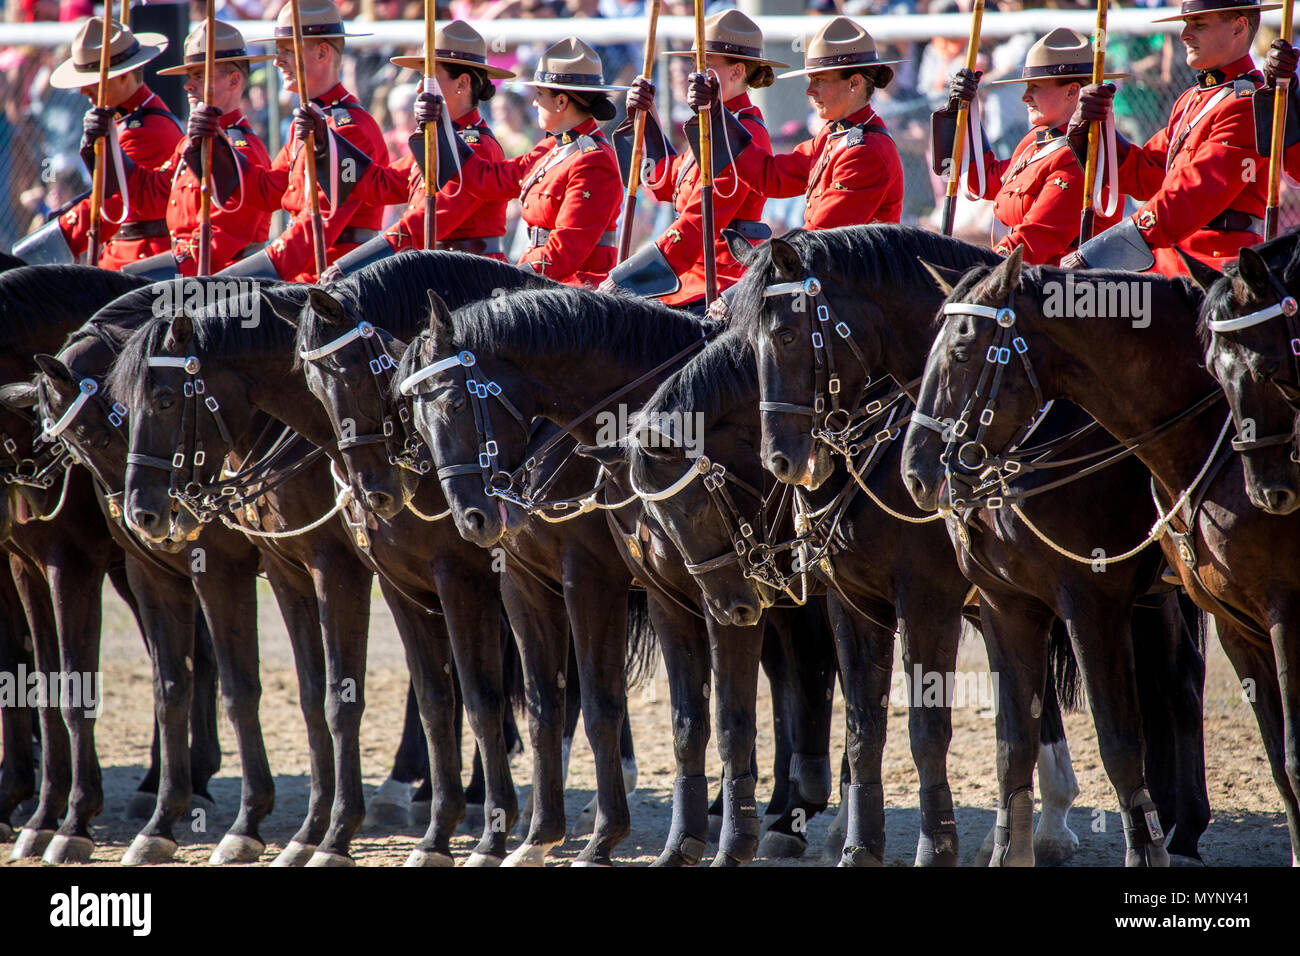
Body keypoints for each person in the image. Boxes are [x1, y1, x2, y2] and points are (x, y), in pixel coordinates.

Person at [1061, 0, 1276, 275]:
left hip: (1217, 266)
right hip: (1170, 258)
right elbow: (1146, 174)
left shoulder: (1250, 103)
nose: (1184, 35)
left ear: (1238, 27)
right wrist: (1092, 129)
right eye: (1186, 24)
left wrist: (1104, 249)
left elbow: (1193, 196)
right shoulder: (1191, 99)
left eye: (1198, 25)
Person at [601, 8, 780, 308]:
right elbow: (665, 186)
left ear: (736, 72)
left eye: (705, 65)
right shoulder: (711, 122)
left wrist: (630, 276)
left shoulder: (745, 131)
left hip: (721, 282)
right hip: (688, 276)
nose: (690, 75)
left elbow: (700, 222)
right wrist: (648, 121)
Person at [427, 36, 627, 286]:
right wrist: (442, 127)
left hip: (576, 292)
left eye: (539, 94)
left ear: (561, 102)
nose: (534, 102)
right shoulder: (550, 148)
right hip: (541, 280)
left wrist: (511, 282)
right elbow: (488, 180)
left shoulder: (594, 161)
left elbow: (565, 253)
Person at [83, 21, 276, 279]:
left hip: (222, 294)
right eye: (189, 77)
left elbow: (219, 244)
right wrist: (103, 148)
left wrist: (141, 278)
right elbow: (150, 194)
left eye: (199, 76)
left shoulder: (242, 149)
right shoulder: (189, 144)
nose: (188, 85)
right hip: (185, 281)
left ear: (233, 81)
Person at [324, 19, 517, 276]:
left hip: (470, 280)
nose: (418, 88)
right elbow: (381, 185)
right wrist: (324, 142)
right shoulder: (435, 139)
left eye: (429, 78)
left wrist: (352, 265)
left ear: (462, 84)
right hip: (438, 272)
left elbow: (425, 222)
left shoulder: (476, 147)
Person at [216, 0, 389, 281]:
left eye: (287, 50)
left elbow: (314, 231)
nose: (277, 61)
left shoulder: (349, 128)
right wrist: (215, 150)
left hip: (335, 284)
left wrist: (238, 280)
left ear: (322, 52)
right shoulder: (308, 120)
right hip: (304, 273)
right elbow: (269, 191)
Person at [934, 28, 1127, 266]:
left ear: (1072, 91)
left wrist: (973, 268)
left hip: (1063, 294)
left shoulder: (1081, 154)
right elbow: (984, 180)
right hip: (1026, 279)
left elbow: (1033, 240)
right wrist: (963, 110)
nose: (1025, 96)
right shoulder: (1036, 139)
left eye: (1035, 86)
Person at [696, 16, 905, 232]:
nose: (809, 91)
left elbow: (823, 236)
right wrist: (716, 114)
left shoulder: (866, 151)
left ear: (854, 83)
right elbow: (771, 177)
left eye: (820, 80)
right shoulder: (832, 136)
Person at [15, 17, 182, 267]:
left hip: (141, 262)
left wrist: (53, 240)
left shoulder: (146, 129)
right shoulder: (123, 118)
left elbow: (110, 209)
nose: (83, 91)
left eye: (93, 81)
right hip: (52, 163)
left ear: (124, 77)